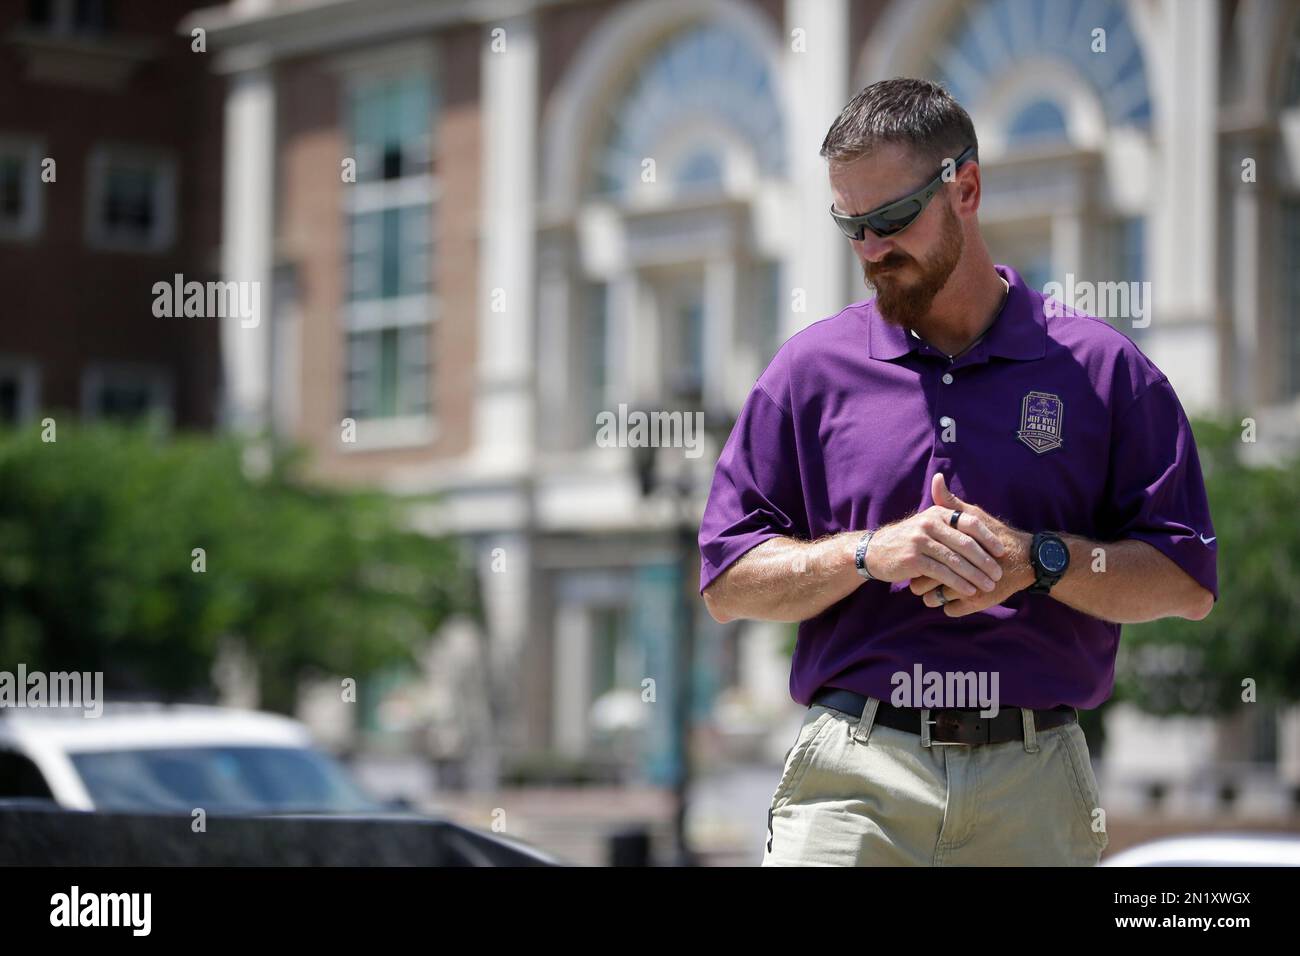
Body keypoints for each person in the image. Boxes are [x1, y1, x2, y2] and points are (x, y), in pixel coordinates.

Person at [697, 78, 1218, 866]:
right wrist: (869, 553)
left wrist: (1036, 562)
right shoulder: (808, 373)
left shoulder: (1105, 371)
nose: (872, 249)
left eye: (891, 220)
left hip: (1035, 782)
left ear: (964, 188)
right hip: (854, 776)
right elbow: (727, 582)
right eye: (851, 226)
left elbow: (1186, 580)